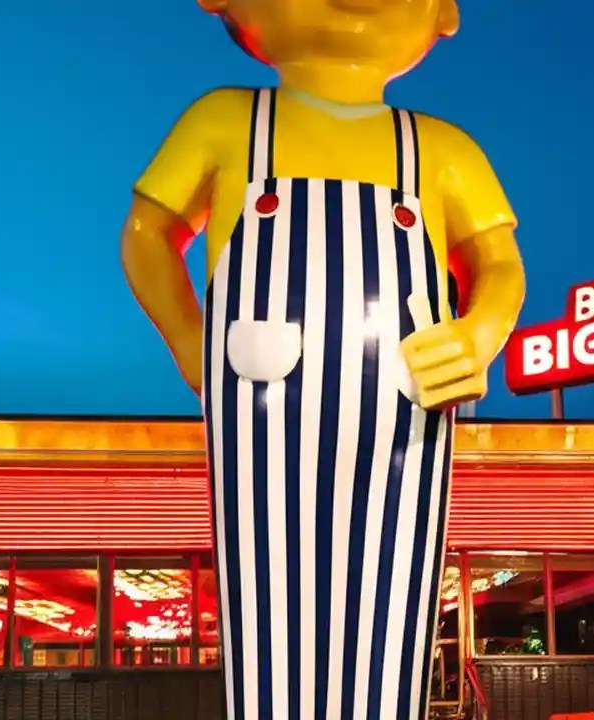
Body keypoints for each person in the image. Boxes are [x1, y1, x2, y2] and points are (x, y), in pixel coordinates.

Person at [121, 1, 525, 718]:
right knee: (266, 594)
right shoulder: (225, 122)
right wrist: (192, 343)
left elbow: (498, 265)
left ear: (445, 14)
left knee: (392, 594)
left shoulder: (441, 149)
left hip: (406, 412)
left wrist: (478, 334)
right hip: (260, 407)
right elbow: (148, 234)